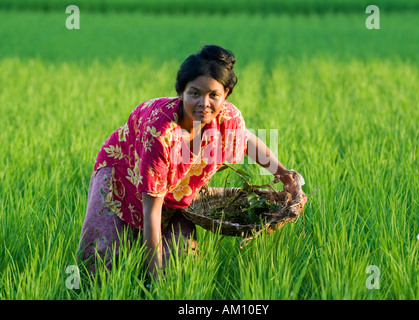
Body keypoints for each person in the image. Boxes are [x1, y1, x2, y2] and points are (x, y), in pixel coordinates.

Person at [77, 44, 306, 279]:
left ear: (225, 93)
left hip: (176, 189)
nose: (204, 104)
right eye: (194, 93)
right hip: (123, 171)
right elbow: (151, 212)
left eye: (213, 95)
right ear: (181, 92)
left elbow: (246, 141)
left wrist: (284, 176)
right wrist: (153, 278)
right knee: (104, 256)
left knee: (180, 260)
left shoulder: (227, 117)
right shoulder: (161, 133)